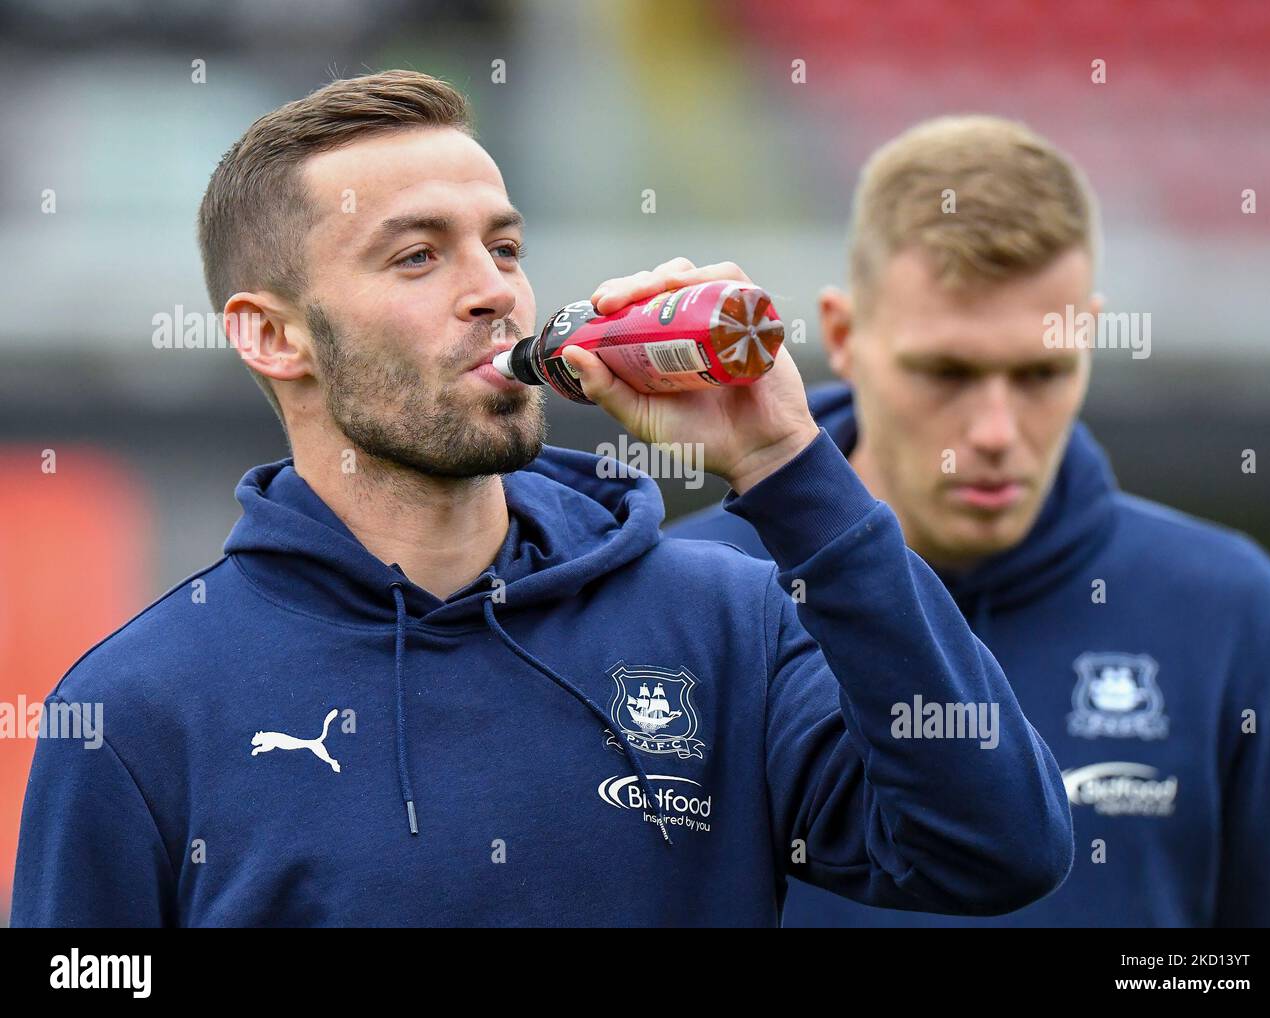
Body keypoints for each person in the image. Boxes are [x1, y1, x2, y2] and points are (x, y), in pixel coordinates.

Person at [10, 75, 1071, 927]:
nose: (496, 290)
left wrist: (790, 465)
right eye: (418, 254)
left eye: (505, 247)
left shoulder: (725, 620)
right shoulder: (139, 705)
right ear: (272, 335)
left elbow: (995, 851)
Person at [669, 115, 1270, 927]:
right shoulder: (690, 596)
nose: (996, 431)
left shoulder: (1236, 614)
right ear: (843, 335)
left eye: (1041, 372)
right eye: (947, 371)